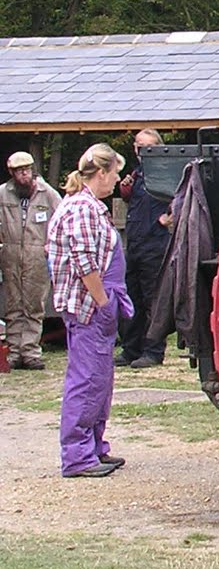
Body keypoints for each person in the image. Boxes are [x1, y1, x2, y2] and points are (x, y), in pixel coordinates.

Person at [47, 143, 132, 478]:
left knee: (99, 380)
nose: (117, 180)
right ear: (101, 172)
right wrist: (103, 302)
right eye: (114, 173)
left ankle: (94, 448)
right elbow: (85, 262)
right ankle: (78, 456)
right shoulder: (82, 209)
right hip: (89, 309)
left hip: (95, 309)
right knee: (86, 380)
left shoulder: (89, 206)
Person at [1, 150, 63, 370]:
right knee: (13, 305)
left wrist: (51, 244)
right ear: (12, 173)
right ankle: (14, 351)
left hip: (37, 254)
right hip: (10, 254)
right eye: (18, 172)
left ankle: (31, 351)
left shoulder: (48, 193)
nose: (23, 176)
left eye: (26, 170)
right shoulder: (3, 193)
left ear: (32, 169)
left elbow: (62, 219)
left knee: (34, 305)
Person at [116, 129, 173, 369]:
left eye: (147, 147)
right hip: (136, 242)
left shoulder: (166, 173)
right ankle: (131, 349)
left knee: (153, 299)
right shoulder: (136, 174)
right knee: (132, 297)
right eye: (139, 146)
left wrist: (168, 218)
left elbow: (182, 197)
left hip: (156, 242)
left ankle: (153, 350)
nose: (142, 151)